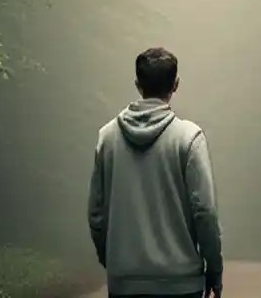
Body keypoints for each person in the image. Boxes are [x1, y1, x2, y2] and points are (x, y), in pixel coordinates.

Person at [87, 47, 224, 298]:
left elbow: (96, 214)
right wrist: (214, 267)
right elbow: (205, 211)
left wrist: (112, 260)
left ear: (138, 84)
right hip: (181, 284)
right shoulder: (189, 138)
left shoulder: (108, 137)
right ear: (176, 84)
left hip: (125, 283)